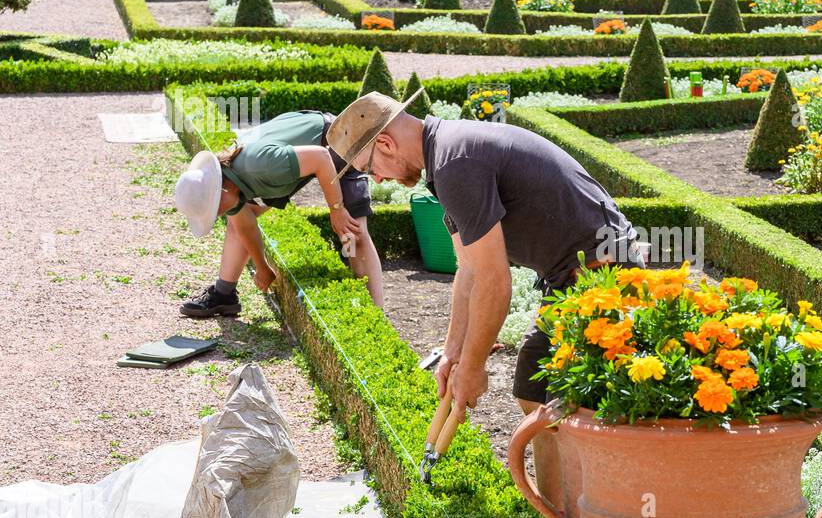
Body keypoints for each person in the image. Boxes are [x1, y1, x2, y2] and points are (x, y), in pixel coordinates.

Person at [325, 91, 642, 492]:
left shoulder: (454, 162)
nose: (378, 180)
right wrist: (453, 351)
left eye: (370, 169)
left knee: (562, 400)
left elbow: (496, 282)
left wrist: (474, 368)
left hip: (604, 271)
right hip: (574, 274)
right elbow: (470, 269)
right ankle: (560, 514)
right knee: (536, 392)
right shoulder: (445, 157)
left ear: (385, 144)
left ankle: (591, 513)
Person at [174, 108, 384, 318]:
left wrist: (336, 209)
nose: (219, 213)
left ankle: (376, 316)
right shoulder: (230, 180)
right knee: (237, 221)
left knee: (352, 233)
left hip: (336, 142)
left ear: (221, 188)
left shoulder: (262, 167)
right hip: (301, 151)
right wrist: (262, 267)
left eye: (216, 207)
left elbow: (321, 157)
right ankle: (223, 295)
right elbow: (244, 226)